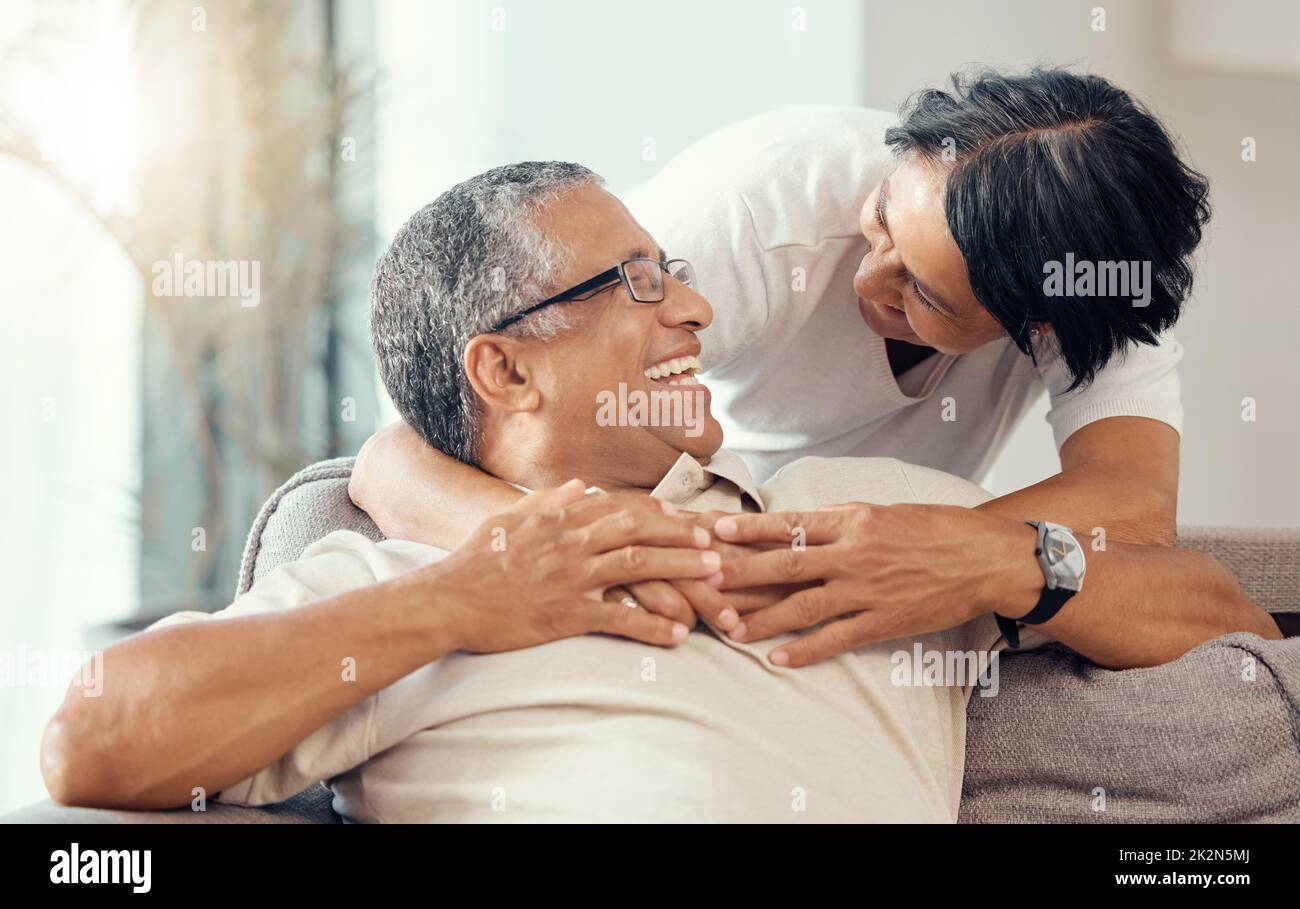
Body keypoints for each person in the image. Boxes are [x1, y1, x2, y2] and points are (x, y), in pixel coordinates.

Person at [40, 163, 1277, 823]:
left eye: (674, 271)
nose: (693, 307)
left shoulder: (863, 513)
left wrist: (1010, 566)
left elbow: (1222, 611)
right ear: (505, 365)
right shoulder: (397, 581)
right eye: (634, 283)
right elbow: (87, 742)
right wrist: (465, 599)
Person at [351, 69, 1209, 659]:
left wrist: (942, 554)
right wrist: (627, 568)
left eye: (924, 297)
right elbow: (423, 436)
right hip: (717, 529)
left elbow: (1132, 508)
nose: (870, 281)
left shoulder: (1096, 282)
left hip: (862, 562)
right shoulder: (749, 215)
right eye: (881, 218)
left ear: (1040, 327)